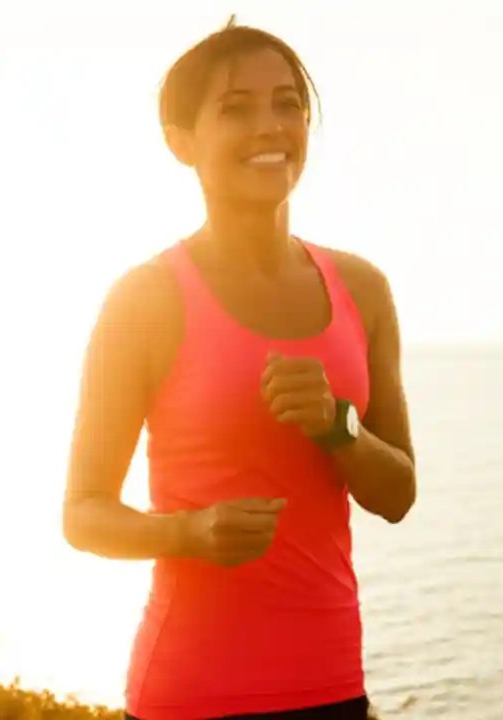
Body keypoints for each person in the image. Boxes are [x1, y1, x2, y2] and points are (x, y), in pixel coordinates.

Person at [62, 17, 417, 720]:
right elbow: (83, 514)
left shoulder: (363, 289)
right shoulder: (145, 299)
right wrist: (187, 533)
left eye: (288, 105)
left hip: (333, 689)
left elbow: (398, 493)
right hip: (190, 697)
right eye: (236, 109)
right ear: (181, 141)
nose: (269, 127)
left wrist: (337, 426)